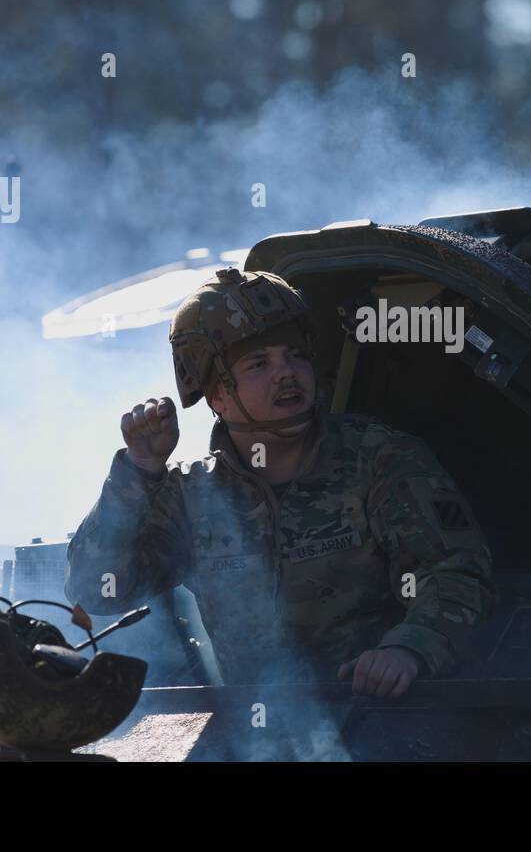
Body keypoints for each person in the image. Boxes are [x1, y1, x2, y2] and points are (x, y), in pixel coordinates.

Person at [64, 267, 495, 697]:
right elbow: (98, 591)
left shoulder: (381, 459)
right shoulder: (191, 494)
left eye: (295, 355)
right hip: (253, 736)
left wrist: (408, 649)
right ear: (216, 395)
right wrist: (139, 470)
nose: (286, 373)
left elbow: (455, 574)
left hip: (382, 719)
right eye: (258, 363)